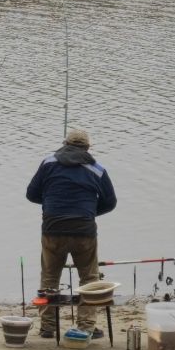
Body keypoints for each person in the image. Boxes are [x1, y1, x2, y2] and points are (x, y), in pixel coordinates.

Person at [26, 127, 118, 339]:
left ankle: (48, 327)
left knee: (49, 276)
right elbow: (110, 202)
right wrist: (89, 213)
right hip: (84, 230)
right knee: (89, 279)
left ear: (65, 144)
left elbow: (31, 194)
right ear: (87, 147)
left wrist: (51, 204)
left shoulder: (48, 163)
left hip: (52, 228)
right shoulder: (97, 169)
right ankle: (86, 326)